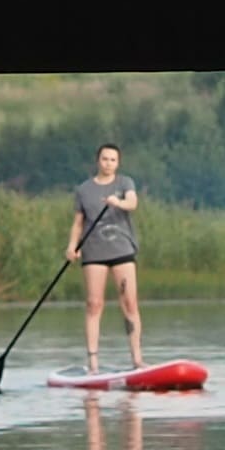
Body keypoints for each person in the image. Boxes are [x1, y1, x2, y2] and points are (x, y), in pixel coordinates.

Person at [68, 142, 146, 372]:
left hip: (121, 249)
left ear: (118, 163)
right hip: (94, 251)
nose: (108, 163)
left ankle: (137, 359)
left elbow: (132, 203)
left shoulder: (124, 183)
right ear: (98, 161)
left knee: (129, 302)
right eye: (105, 159)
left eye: (113, 160)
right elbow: (78, 222)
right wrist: (72, 246)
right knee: (94, 304)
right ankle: (93, 363)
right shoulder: (84, 190)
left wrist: (117, 202)